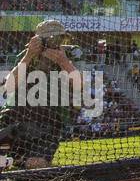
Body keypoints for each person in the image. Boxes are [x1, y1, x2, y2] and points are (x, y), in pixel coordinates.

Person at [0, 19, 81, 169]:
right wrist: (29, 56)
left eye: (59, 38)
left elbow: (79, 86)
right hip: (15, 118)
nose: (56, 42)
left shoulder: (66, 57)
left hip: (49, 124)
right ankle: (13, 160)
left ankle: (18, 162)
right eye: (52, 38)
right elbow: (9, 86)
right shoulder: (26, 55)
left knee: (36, 164)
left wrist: (64, 62)